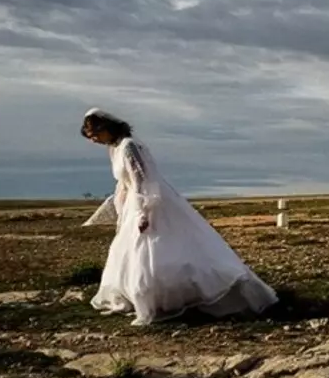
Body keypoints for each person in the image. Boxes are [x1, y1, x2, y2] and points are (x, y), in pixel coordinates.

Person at [80, 108, 278, 326]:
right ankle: (147, 298)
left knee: (155, 246)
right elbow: (124, 182)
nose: (94, 141)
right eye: (91, 138)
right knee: (134, 251)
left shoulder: (129, 146)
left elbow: (143, 180)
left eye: (95, 135)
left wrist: (144, 211)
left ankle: (166, 298)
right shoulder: (115, 149)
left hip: (148, 201)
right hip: (132, 203)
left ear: (106, 128)